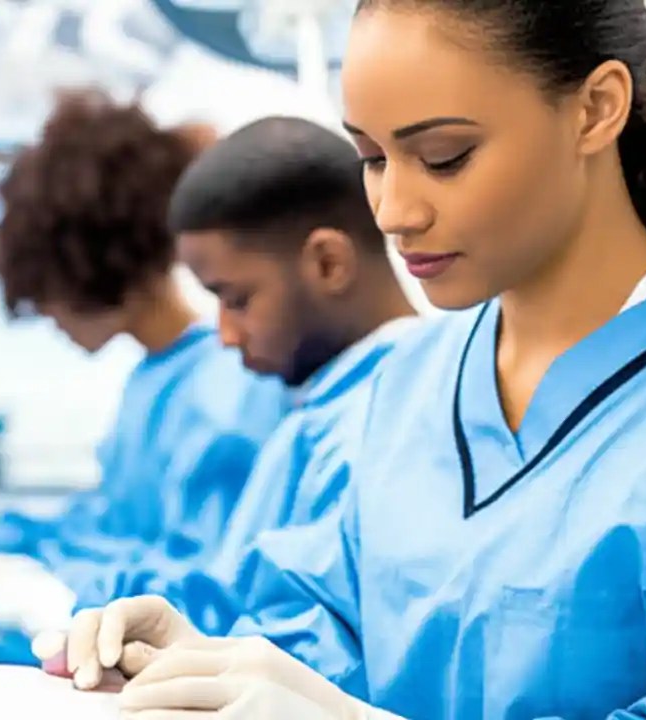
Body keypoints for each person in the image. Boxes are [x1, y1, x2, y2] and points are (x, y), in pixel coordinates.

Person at [45, 1, 646, 718]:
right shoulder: (408, 384)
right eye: (374, 158)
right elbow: (323, 642)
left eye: (446, 157)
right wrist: (200, 662)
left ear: (596, 109)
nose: (392, 212)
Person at [0, 91, 289, 634]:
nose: (46, 316)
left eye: (44, 294)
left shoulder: (230, 389)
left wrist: (18, 588)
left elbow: (201, 588)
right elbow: (103, 531)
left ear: (87, 263)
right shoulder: (154, 381)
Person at [66, 116, 418, 634]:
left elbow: (314, 645)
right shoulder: (322, 414)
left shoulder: (394, 424)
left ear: (327, 264)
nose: (225, 335)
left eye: (238, 300)